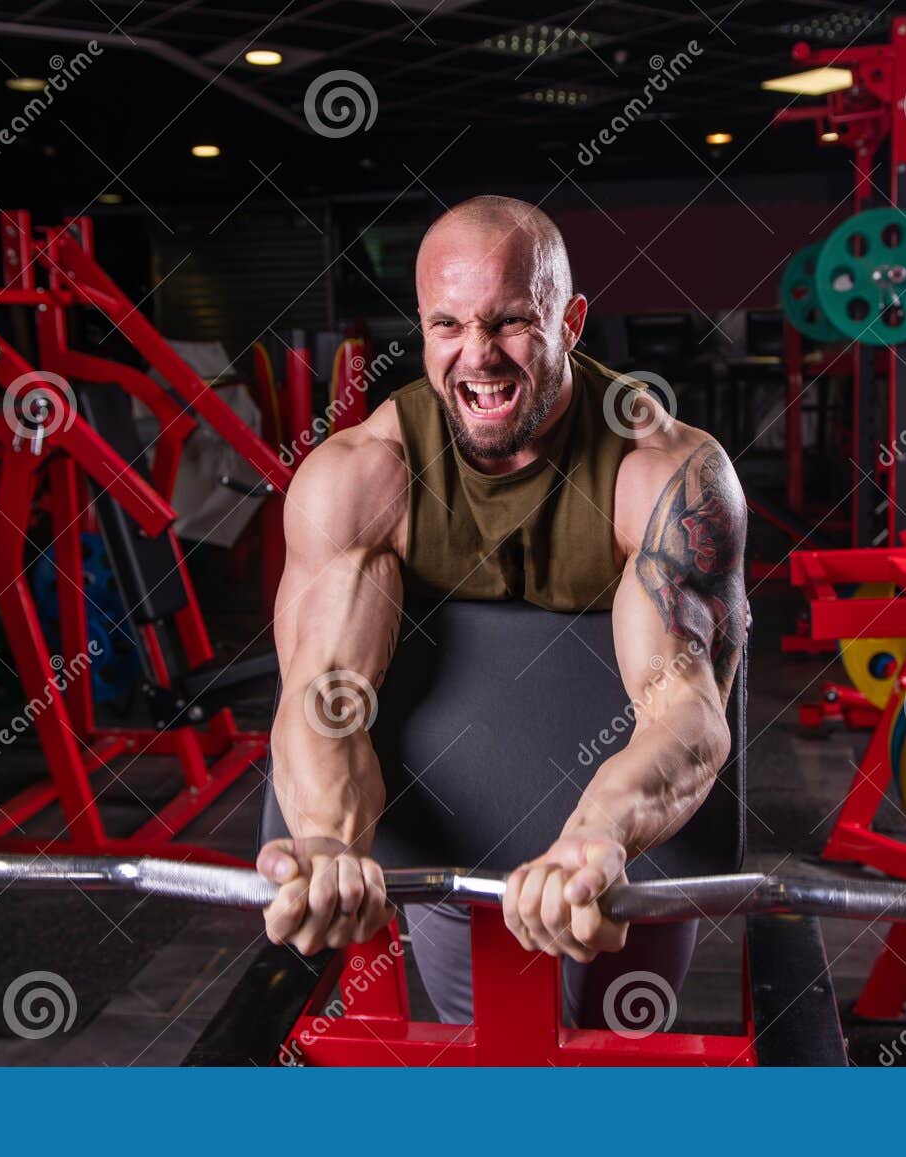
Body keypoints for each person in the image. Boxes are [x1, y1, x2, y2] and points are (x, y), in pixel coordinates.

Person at [258, 194, 747, 1026]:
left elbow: (688, 714)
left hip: (622, 847)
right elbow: (323, 689)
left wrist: (598, 835)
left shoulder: (663, 472)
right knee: (475, 1059)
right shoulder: (362, 475)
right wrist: (332, 842)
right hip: (433, 828)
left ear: (571, 320)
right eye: (446, 325)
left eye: (511, 321)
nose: (476, 356)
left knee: (610, 1062)